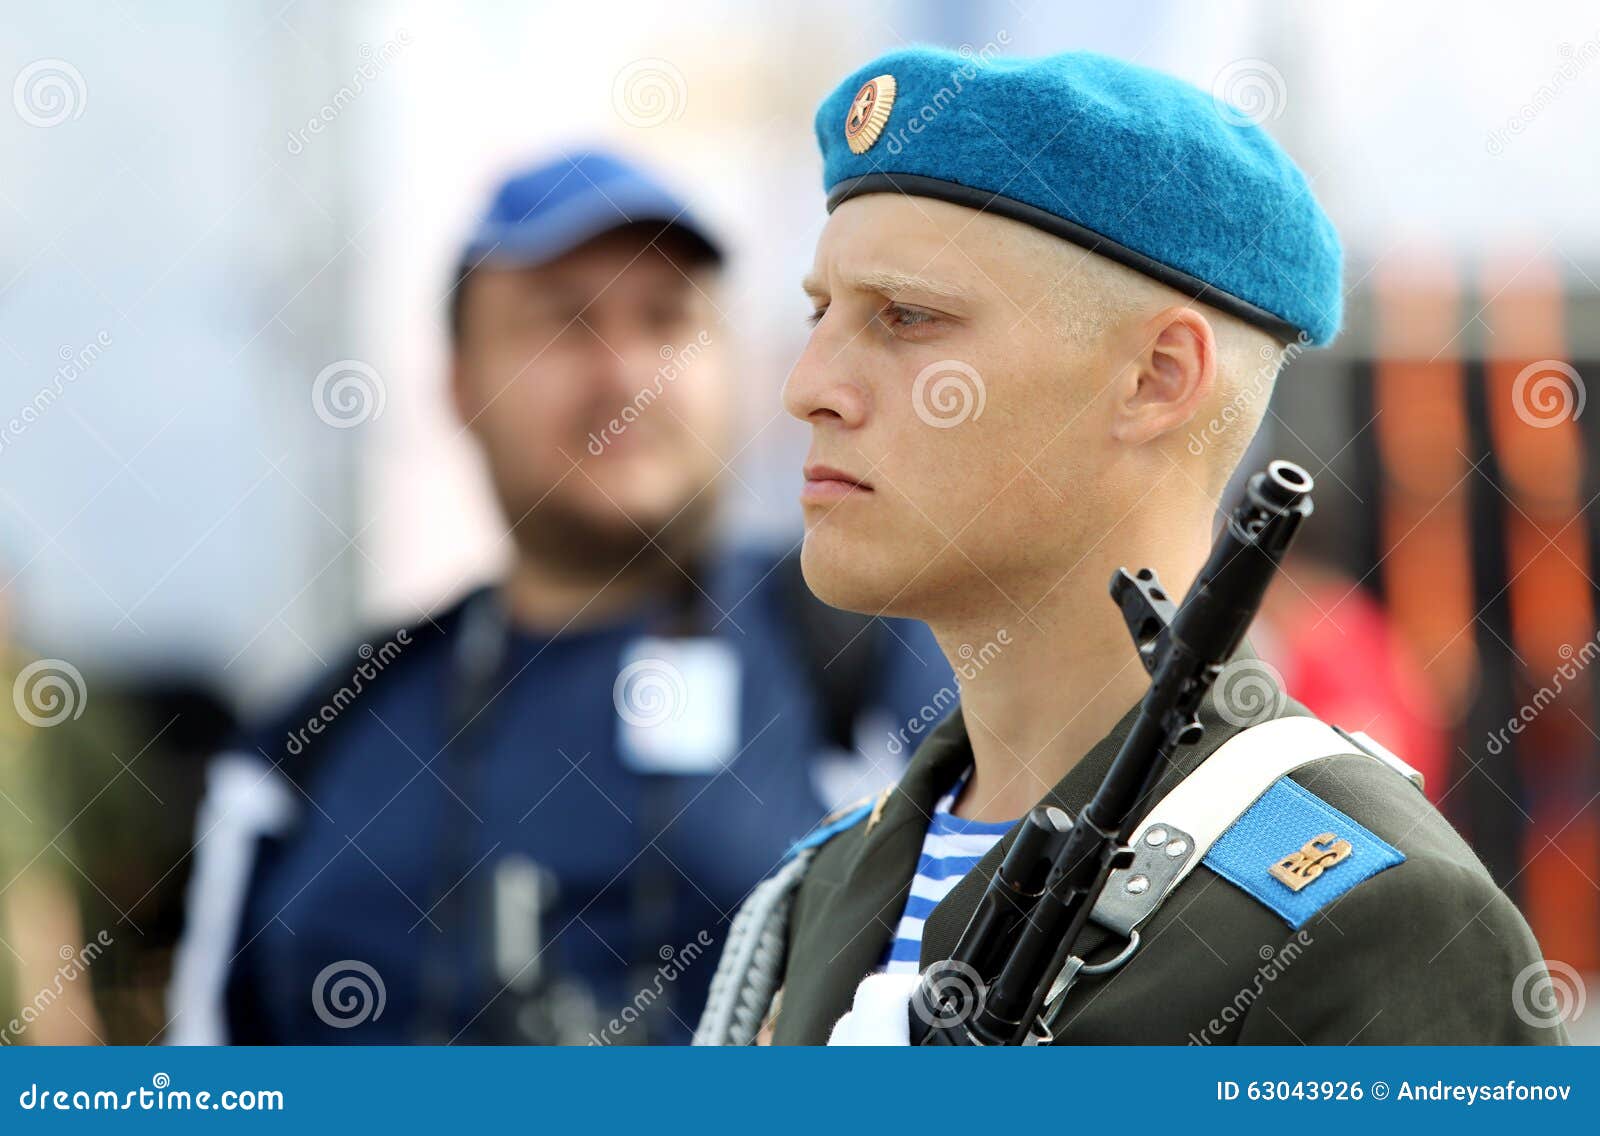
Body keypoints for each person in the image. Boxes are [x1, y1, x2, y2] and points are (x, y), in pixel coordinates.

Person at [695, 49, 1566, 1045]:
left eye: (907, 317)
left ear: (1156, 377)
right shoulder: (826, 884)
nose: (808, 386)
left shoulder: (1370, 919)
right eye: (820, 312)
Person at [168, 150, 949, 1045]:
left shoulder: (886, 666)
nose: (625, 375)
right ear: (459, 385)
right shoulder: (309, 744)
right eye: (565, 323)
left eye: (667, 320)